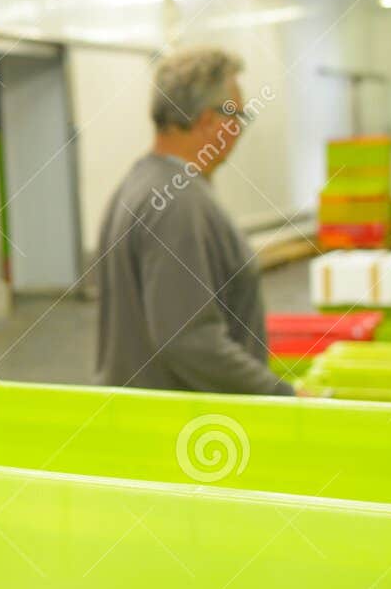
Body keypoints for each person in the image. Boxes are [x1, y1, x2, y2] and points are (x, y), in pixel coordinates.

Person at [94, 46, 293, 396]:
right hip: (180, 430)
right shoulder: (178, 202)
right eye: (238, 118)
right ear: (208, 121)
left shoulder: (140, 183)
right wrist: (280, 395)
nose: (238, 131)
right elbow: (188, 339)